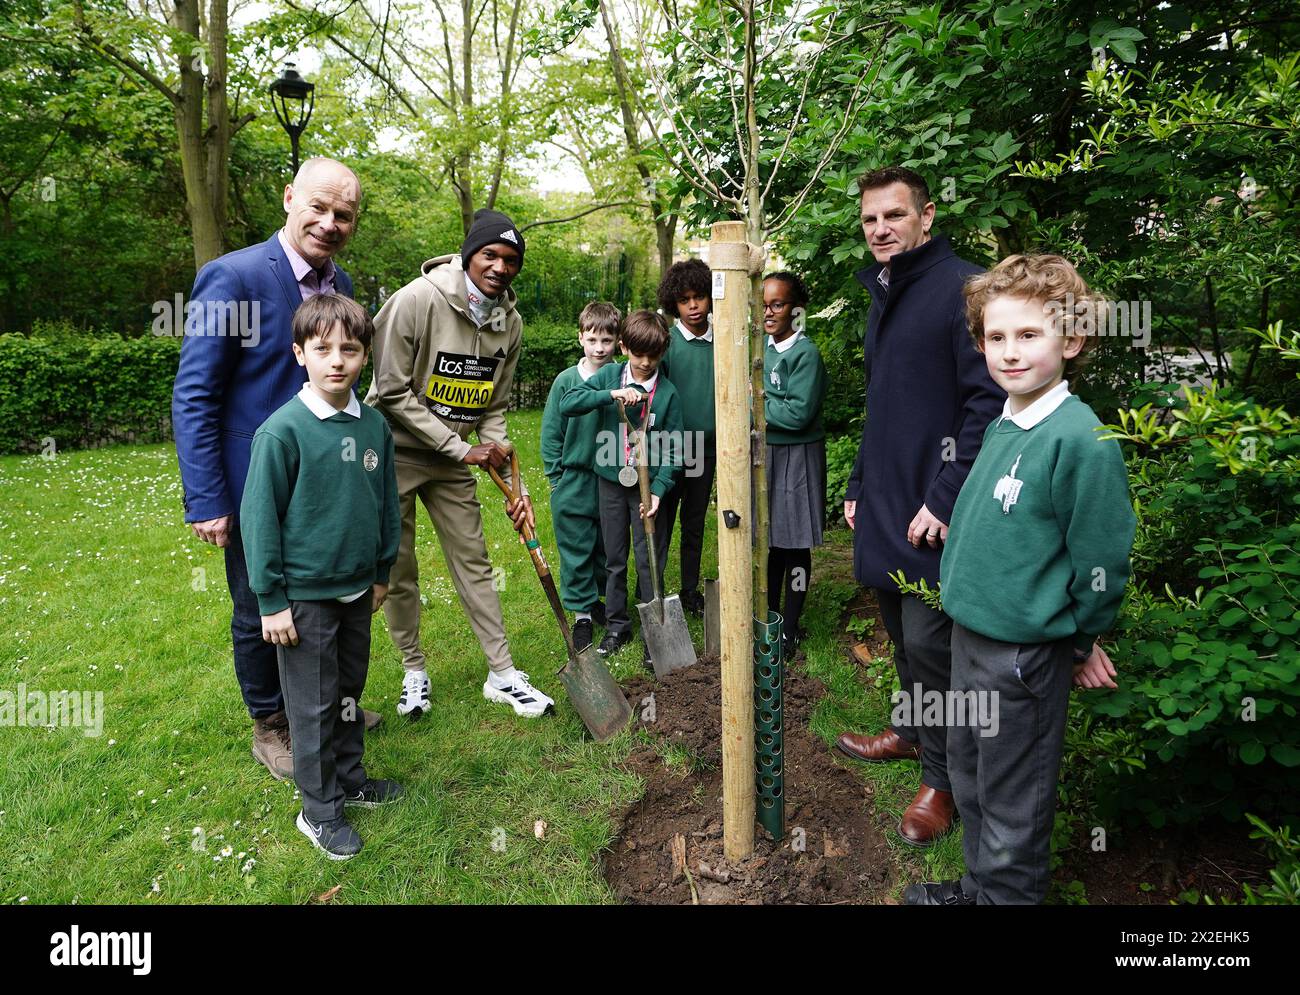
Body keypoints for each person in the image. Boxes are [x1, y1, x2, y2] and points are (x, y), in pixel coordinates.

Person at [904, 255, 1135, 904]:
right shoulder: (1005, 420)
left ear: (1074, 339)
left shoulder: (1081, 439)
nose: (1009, 352)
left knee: (1013, 804)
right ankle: (981, 891)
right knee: (973, 780)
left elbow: (1102, 562)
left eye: (1029, 335)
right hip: (970, 641)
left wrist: (1081, 639)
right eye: (996, 337)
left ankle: (1005, 896)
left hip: (1020, 661)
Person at [172, 157, 380, 783]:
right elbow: (194, 392)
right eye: (317, 207)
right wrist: (207, 496)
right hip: (249, 482)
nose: (329, 222)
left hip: (322, 486)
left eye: (343, 215)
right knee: (259, 602)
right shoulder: (230, 277)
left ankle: (326, 709)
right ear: (289, 198)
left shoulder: (336, 283)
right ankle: (273, 723)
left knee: (320, 601)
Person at [835, 166, 1004, 847]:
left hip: (935, 511)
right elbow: (885, 403)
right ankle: (909, 731)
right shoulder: (885, 291)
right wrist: (855, 482)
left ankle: (944, 780)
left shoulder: (965, 289)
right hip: (885, 499)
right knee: (898, 633)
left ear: (926, 216)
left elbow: (988, 403)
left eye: (894, 216)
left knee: (933, 646)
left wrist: (944, 497)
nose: (880, 228)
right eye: (871, 218)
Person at [365, 209, 552, 720]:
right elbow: (389, 391)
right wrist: (459, 446)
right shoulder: (415, 300)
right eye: (490, 254)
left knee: (475, 561)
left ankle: (503, 673)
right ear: (469, 253)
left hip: (452, 460)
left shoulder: (509, 323)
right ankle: (413, 670)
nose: (500, 267)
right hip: (395, 454)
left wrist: (510, 479)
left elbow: (493, 406)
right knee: (399, 567)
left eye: (511, 260)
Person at [240, 294, 404, 860]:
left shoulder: (375, 428)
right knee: (310, 704)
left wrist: (382, 571)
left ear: (365, 356)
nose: (337, 361)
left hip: (359, 589)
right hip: (304, 598)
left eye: (350, 349)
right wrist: (271, 599)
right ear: (299, 354)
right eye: (322, 348)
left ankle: (350, 778)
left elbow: (387, 505)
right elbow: (258, 519)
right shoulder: (281, 432)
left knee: (348, 691)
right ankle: (319, 810)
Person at [559, 310, 683, 669]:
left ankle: (651, 632)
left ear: (663, 352)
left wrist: (660, 489)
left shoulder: (668, 393)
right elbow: (569, 405)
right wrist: (609, 393)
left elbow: (676, 447)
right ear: (624, 346)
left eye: (654, 356)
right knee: (614, 557)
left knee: (648, 559)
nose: (645, 363)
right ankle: (617, 626)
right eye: (637, 354)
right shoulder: (609, 376)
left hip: (648, 489)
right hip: (611, 481)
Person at [540, 301, 620, 652]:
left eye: (606, 340)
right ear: (580, 339)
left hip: (611, 480)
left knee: (607, 547)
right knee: (576, 549)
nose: (599, 348)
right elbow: (551, 433)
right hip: (573, 479)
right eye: (592, 340)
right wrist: (557, 478)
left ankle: (602, 602)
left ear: (617, 341)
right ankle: (581, 616)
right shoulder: (566, 381)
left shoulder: (621, 377)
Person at [761, 272, 828, 659]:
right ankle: (770, 618)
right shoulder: (762, 349)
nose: (769, 312)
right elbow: (778, 407)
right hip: (767, 455)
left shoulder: (806, 354)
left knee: (795, 541)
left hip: (798, 455)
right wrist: (774, 406)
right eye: (765, 304)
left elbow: (798, 414)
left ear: (795, 309)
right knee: (770, 542)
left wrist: (758, 404)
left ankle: (791, 624)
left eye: (778, 304)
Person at [655, 258, 715, 616]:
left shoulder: (722, 342)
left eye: (700, 297)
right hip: (668, 450)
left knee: (694, 525)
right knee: (660, 523)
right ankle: (652, 591)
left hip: (705, 451)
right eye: (684, 300)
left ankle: (689, 590)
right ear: (673, 304)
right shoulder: (665, 344)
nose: (693, 306)